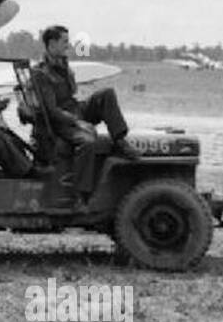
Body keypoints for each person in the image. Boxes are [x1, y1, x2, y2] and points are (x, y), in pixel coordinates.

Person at [30, 25, 141, 200]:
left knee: (106, 95)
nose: (68, 45)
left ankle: (119, 140)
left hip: (73, 110)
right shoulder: (40, 73)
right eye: (64, 42)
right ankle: (79, 194)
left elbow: (71, 93)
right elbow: (51, 110)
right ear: (52, 44)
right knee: (88, 142)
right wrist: (77, 122)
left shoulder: (63, 65)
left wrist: (67, 72)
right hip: (59, 121)